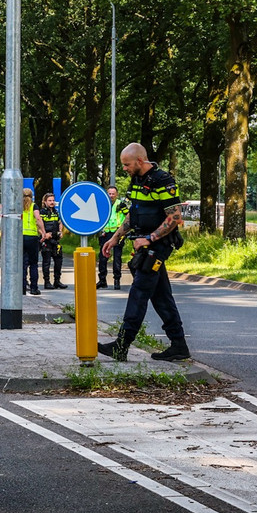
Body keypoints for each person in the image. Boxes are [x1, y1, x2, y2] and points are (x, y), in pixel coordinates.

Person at [98, 144, 190, 362]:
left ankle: (121, 346)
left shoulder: (162, 181)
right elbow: (133, 214)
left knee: (138, 293)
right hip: (144, 245)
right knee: (161, 297)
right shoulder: (137, 181)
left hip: (156, 246)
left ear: (140, 161)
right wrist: (115, 237)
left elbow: (174, 217)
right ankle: (179, 345)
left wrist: (149, 239)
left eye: (127, 164)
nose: (124, 169)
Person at [96, 186, 129, 289]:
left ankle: (117, 280)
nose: (111, 196)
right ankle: (102, 280)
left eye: (113, 194)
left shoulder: (121, 204)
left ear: (117, 194)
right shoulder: (103, 204)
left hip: (117, 233)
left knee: (117, 257)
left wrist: (124, 232)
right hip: (105, 233)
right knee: (102, 257)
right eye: (109, 194)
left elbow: (128, 217)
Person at [20, 187, 47, 294]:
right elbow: (38, 219)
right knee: (33, 263)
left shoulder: (18, 206)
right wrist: (43, 232)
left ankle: (22, 288)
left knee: (22, 263)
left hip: (20, 237)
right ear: (32, 196)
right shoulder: (33, 206)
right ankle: (34, 288)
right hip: (32, 237)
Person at [38, 192, 66, 289]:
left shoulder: (56, 212)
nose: (52, 202)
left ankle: (57, 281)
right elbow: (38, 225)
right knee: (47, 262)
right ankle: (47, 282)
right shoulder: (42, 212)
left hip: (55, 239)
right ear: (45, 202)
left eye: (53, 200)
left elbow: (60, 222)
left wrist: (60, 231)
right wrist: (44, 234)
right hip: (46, 240)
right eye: (49, 200)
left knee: (59, 261)